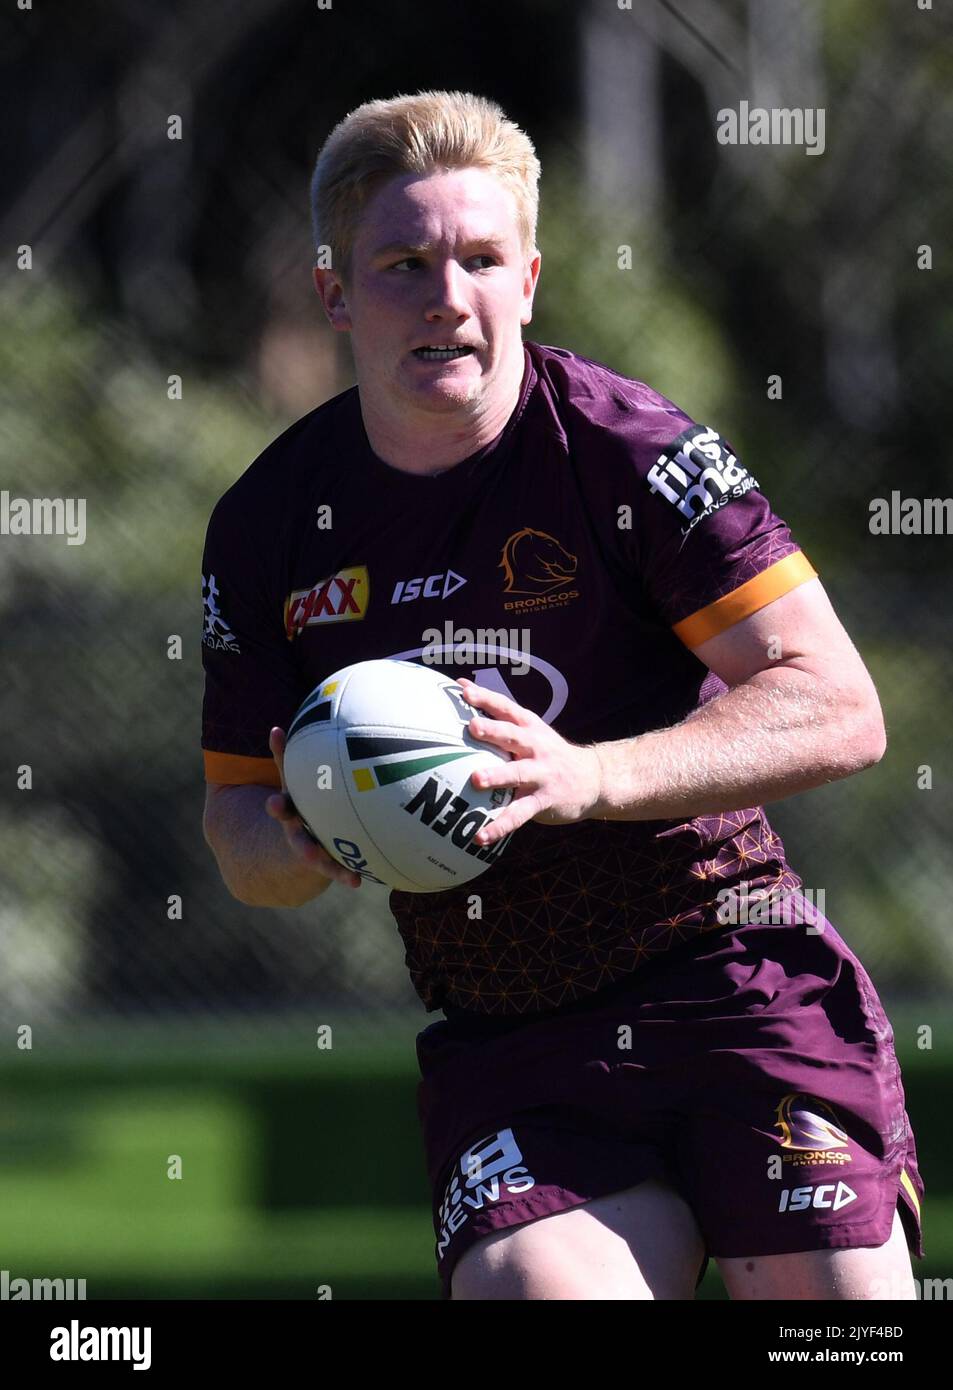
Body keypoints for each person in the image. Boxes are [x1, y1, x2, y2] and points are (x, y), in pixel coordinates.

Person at [200, 89, 924, 1300]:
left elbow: (840, 704)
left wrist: (591, 775)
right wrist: (296, 843)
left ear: (527, 280)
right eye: (402, 263)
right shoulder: (271, 524)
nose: (447, 295)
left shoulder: (625, 451)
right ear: (335, 294)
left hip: (729, 970)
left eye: (480, 259)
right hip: (513, 1034)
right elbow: (233, 829)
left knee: (838, 1308)